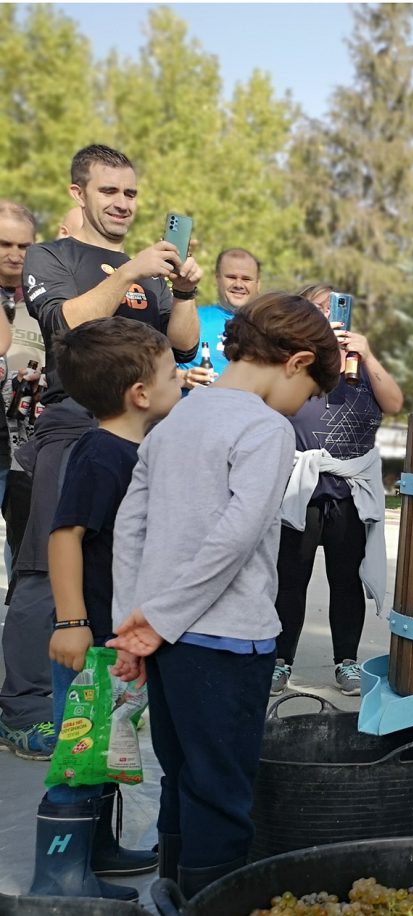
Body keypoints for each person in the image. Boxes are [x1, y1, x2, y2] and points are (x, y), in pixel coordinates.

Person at [106, 292, 340, 896]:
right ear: (298, 362)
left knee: (184, 774)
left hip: (165, 642)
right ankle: (214, 901)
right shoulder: (268, 430)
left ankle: (171, 890)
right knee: (224, 790)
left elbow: (130, 523)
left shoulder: (175, 416)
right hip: (227, 642)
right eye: (311, 391)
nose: (305, 404)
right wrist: (155, 620)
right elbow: (233, 540)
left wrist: (131, 622)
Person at [0, 145, 200, 761]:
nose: (121, 203)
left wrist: (186, 291)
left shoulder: (149, 267)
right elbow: (64, 325)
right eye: (108, 191)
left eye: (130, 193)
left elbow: (184, 348)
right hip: (72, 425)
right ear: (78, 193)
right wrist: (129, 273)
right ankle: (25, 710)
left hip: (146, 431)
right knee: (44, 565)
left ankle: (97, 720)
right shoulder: (49, 255)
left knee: (126, 560)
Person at [29, 317, 181, 900]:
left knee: (105, 746)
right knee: (80, 754)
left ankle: (97, 849)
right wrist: (71, 622)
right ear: (139, 394)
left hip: (117, 638)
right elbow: (64, 535)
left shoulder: (138, 449)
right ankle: (59, 879)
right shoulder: (101, 453)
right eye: (172, 374)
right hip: (87, 638)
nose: (180, 383)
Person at [271, 283, 402, 697]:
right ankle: (279, 661)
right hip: (301, 486)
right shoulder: (294, 361)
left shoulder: (358, 362)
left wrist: (366, 353)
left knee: (346, 581)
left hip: (349, 489)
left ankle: (347, 661)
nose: (330, 314)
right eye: (319, 307)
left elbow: (395, 402)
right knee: (290, 579)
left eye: (335, 307)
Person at [175, 248, 262, 390]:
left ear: (258, 284)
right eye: (231, 277)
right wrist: (183, 377)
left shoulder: (269, 327)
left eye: (246, 279)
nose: (239, 284)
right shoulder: (190, 318)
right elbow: (156, 371)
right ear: (217, 279)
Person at [0, 200, 34, 518]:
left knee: (23, 557)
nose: (15, 253)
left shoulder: (49, 301)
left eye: (24, 245)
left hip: (29, 447)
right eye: (5, 243)